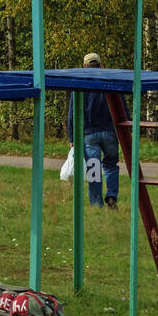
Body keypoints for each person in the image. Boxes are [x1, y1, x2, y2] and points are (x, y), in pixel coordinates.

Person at [66, 52, 122, 208]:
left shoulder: (80, 83)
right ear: (101, 65)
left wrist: (71, 136)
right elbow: (121, 106)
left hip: (89, 134)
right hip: (110, 132)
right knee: (111, 164)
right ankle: (111, 195)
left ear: (84, 66)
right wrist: (125, 129)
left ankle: (96, 203)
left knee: (94, 168)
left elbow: (72, 113)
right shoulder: (110, 80)